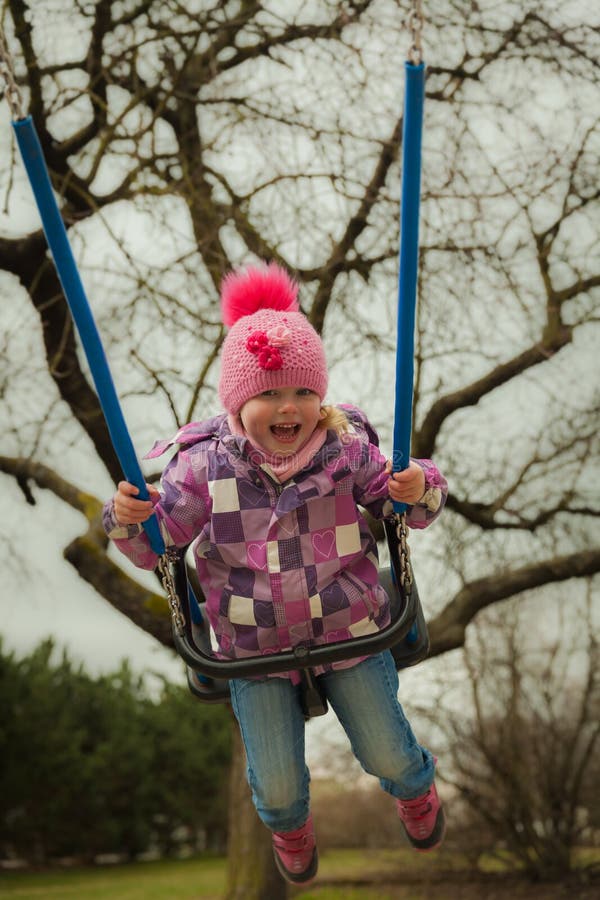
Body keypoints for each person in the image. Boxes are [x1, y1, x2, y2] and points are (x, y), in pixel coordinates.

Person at [103, 262, 448, 885]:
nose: (289, 408)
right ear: (239, 401)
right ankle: (291, 827)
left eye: (303, 393)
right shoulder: (204, 466)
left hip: (347, 627)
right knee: (278, 787)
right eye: (269, 394)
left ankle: (415, 789)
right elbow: (162, 541)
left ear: (320, 397)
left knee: (388, 752)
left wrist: (416, 486)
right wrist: (130, 519)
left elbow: (406, 504)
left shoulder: (344, 450)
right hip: (252, 645)